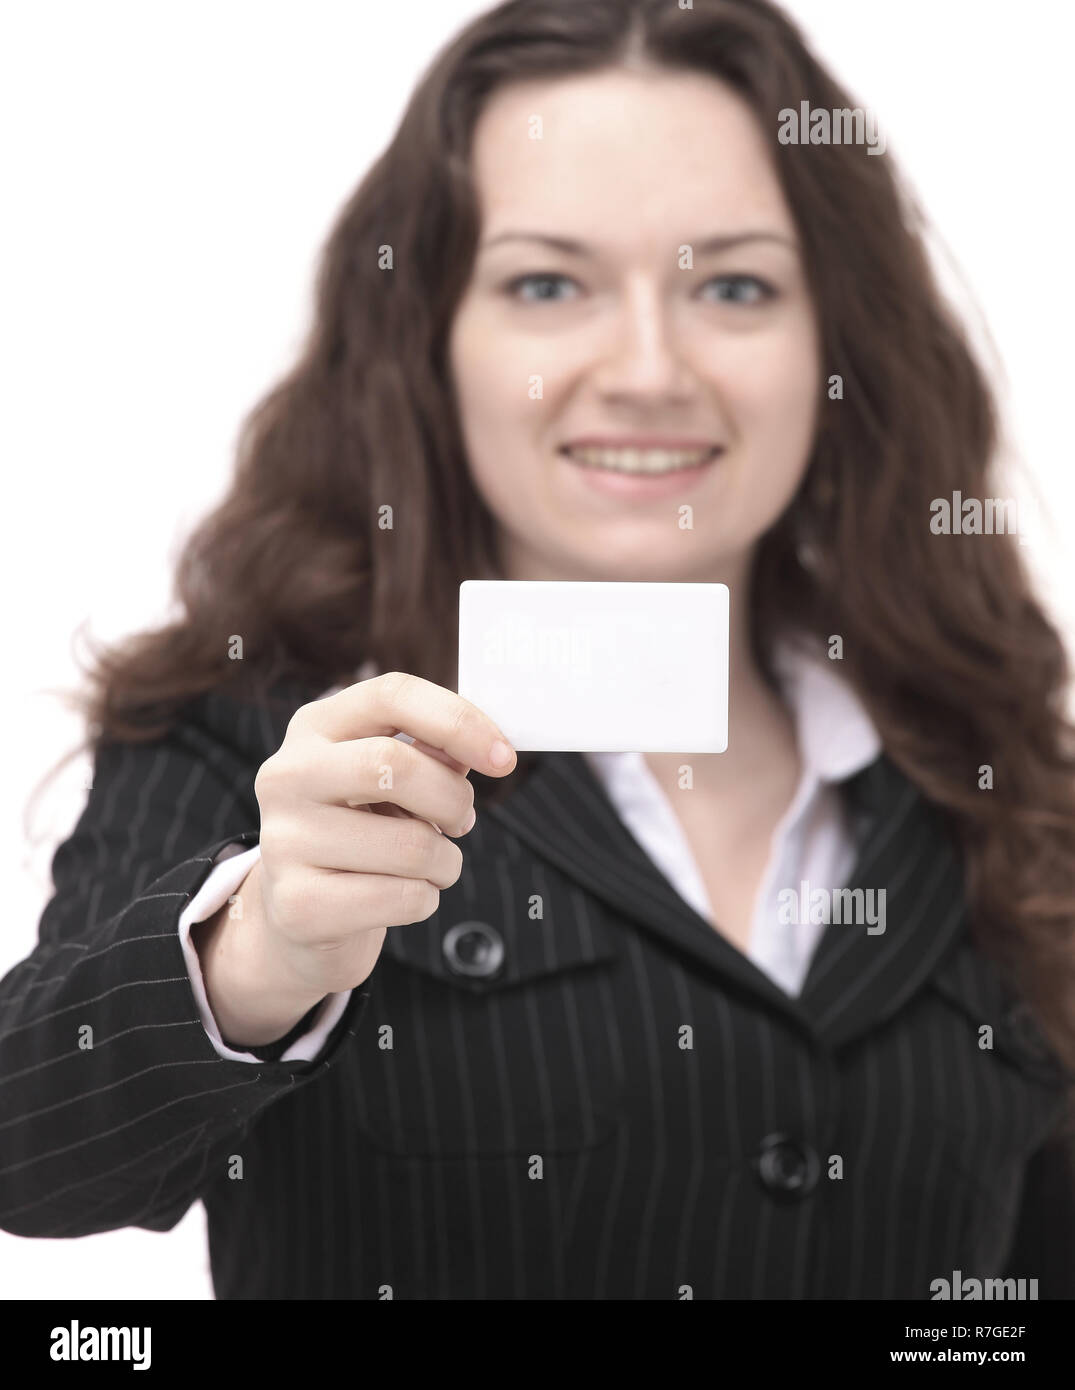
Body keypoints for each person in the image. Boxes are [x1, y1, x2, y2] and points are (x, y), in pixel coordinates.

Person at [3, 0, 1074, 1300]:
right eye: (548, 285)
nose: (647, 369)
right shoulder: (252, 735)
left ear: (833, 341)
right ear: (429, 338)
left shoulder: (985, 770)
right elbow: (30, 1148)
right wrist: (255, 953)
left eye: (733, 286)